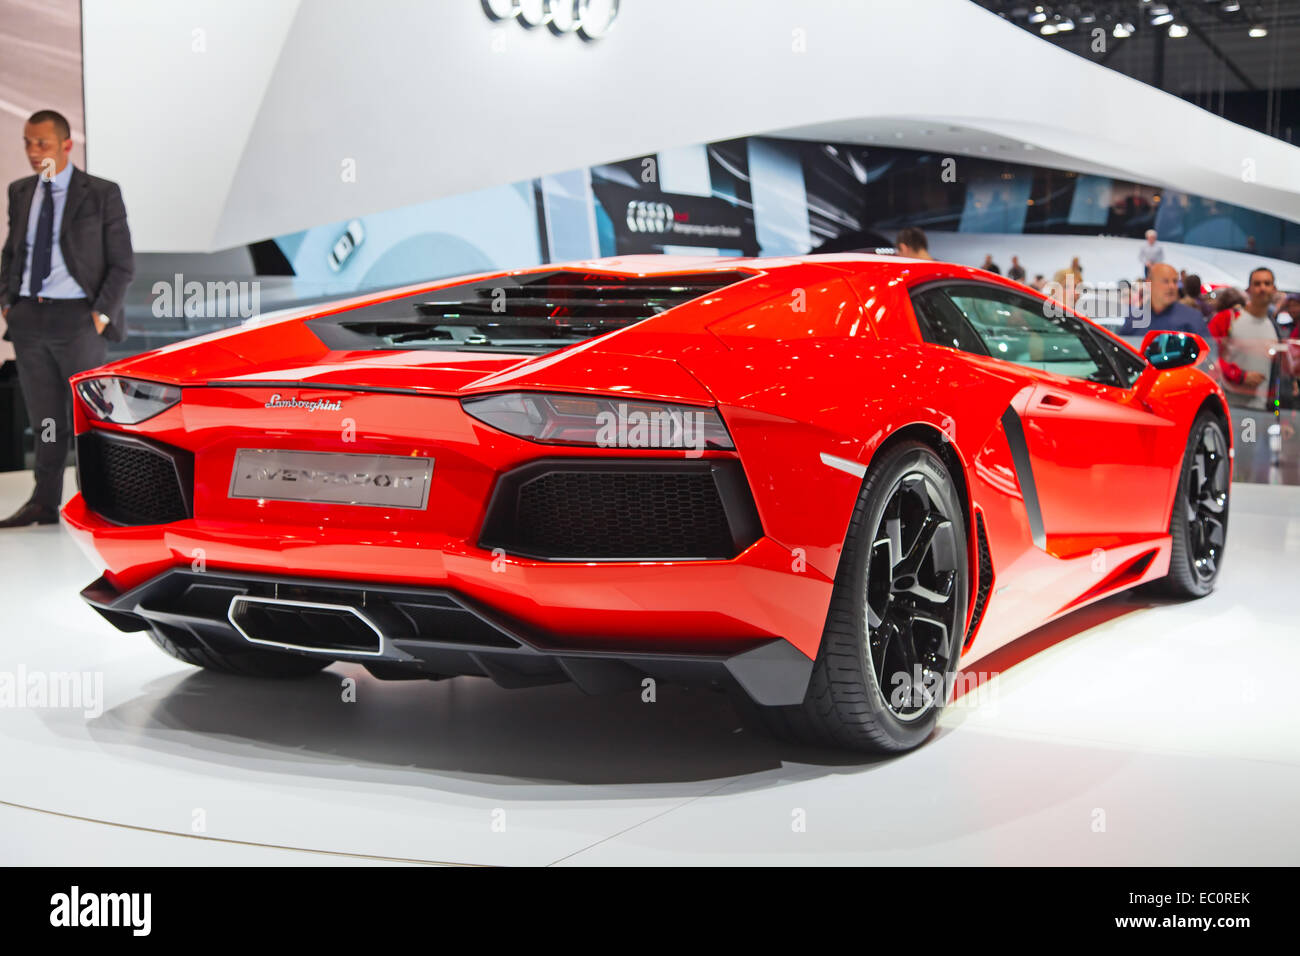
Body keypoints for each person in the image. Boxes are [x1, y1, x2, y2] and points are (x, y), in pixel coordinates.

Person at [0, 109, 134, 527]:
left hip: (79, 321)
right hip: (30, 319)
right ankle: (44, 502)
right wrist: (8, 302)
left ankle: (101, 504)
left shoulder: (100, 193)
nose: (33, 151)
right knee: (46, 420)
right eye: (27, 143)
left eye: (42, 143)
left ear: (66, 145)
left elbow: (123, 264)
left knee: (92, 417)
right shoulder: (21, 191)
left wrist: (99, 316)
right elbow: (12, 253)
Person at [1207, 267, 1284, 410]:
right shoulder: (1227, 319)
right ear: (1249, 289)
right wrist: (1239, 376)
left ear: (1274, 289)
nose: (1262, 288)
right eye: (1257, 284)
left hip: (1262, 408)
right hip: (1227, 405)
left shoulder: (1275, 328)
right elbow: (1208, 358)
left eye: (1267, 284)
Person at [1120, 263, 1207, 336]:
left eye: (1175, 281)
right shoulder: (1135, 318)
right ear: (1149, 283)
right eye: (1165, 281)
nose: (1172, 286)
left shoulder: (1192, 317)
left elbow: (1209, 353)